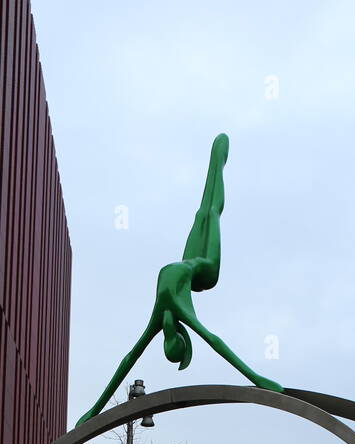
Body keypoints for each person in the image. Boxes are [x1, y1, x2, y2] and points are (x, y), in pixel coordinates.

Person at [76, 134, 281, 429]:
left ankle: (217, 157)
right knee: (210, 212)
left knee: (205, 212)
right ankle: (218, 160)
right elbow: (214, 341)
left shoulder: (161, 315)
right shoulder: (177, 311)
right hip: (204, 272)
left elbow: (128, 360)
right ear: (180, 338)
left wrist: (94, 411)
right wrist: (257, 379)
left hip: (187, 263)